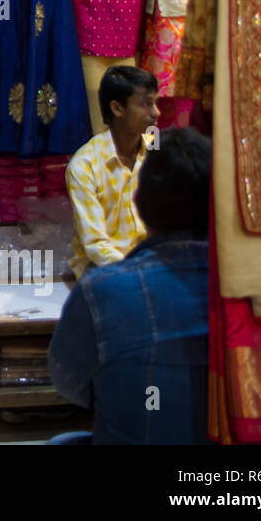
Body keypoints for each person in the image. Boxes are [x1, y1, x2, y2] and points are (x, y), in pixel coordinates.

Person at [47, 126, 212, 444]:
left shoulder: (101, 290)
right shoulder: (252, 290)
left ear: (139, 202)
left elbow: (69, 380)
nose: (154, 113)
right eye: (146, 103)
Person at [65, 65, 159, 279]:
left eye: (155, 103)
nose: (156, 113)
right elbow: (96, 245)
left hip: (147, 262)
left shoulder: (155, 145)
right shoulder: (84, 165)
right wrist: (137, 271)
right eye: (146, 104)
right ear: (117, 108)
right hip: (103, 267)